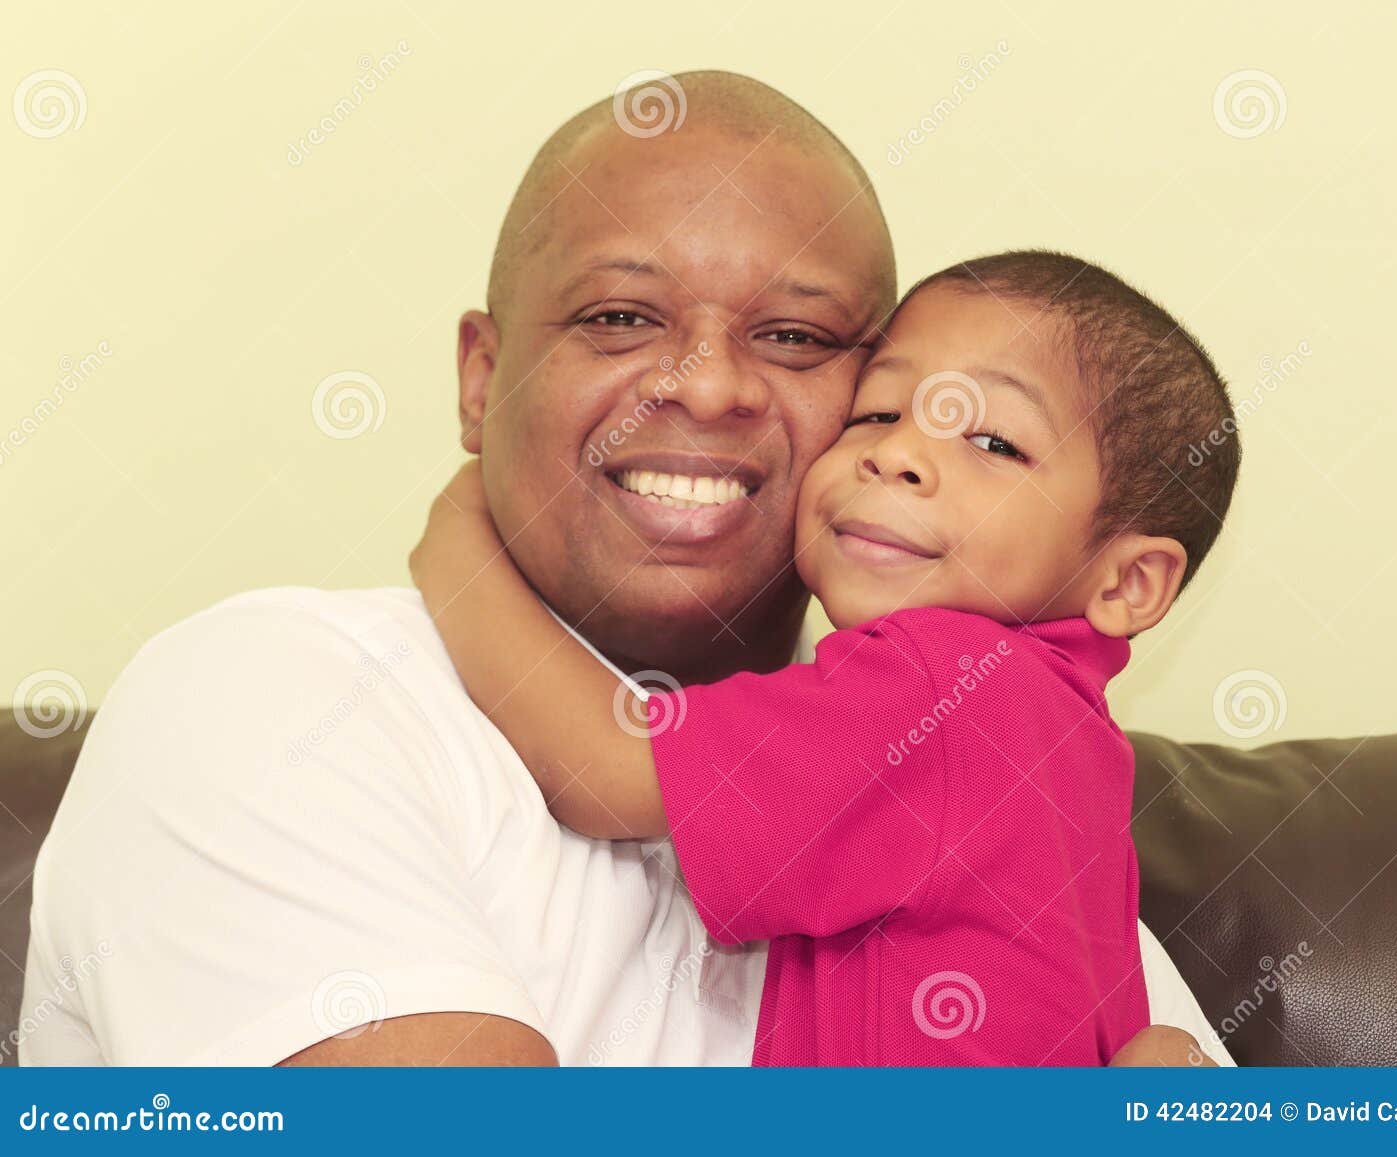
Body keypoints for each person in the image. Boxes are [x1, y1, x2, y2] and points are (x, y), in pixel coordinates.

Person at [20, 72, 1231, 1066]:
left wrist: (454, 531)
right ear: (482, 378)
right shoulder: (272, 696)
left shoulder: (984, 750)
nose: (706, 384)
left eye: (797, 337)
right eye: (619, 318)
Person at [409, 249, 1240, 1064]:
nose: (897, 453)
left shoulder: (942, 682)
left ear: (1130, 581)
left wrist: (459, 534)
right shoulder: (1073, 740)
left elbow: (608, 765)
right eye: (876, 413)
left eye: (992, 442)